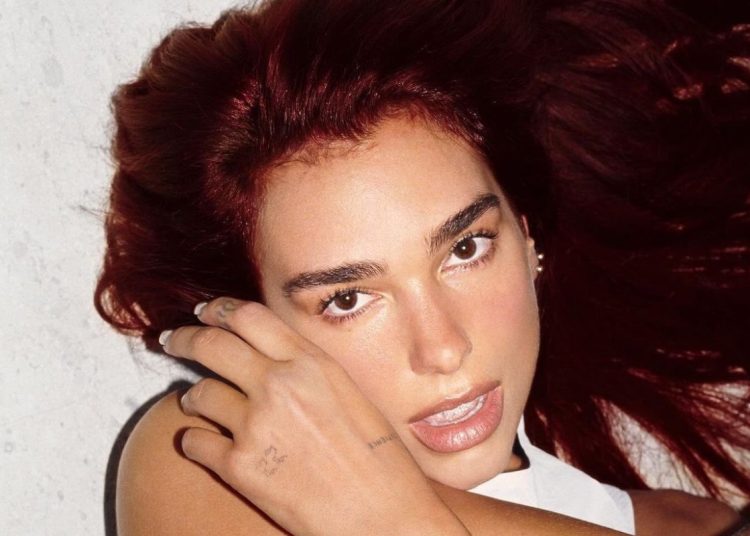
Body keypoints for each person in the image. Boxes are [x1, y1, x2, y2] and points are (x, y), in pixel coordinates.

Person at [95, 0, 750, 534]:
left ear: (528, 238)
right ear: (255, 325)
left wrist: (392, 525)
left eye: (465, 249)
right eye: (348, 299)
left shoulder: (688, 527)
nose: (442, 348)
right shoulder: (210, 460)